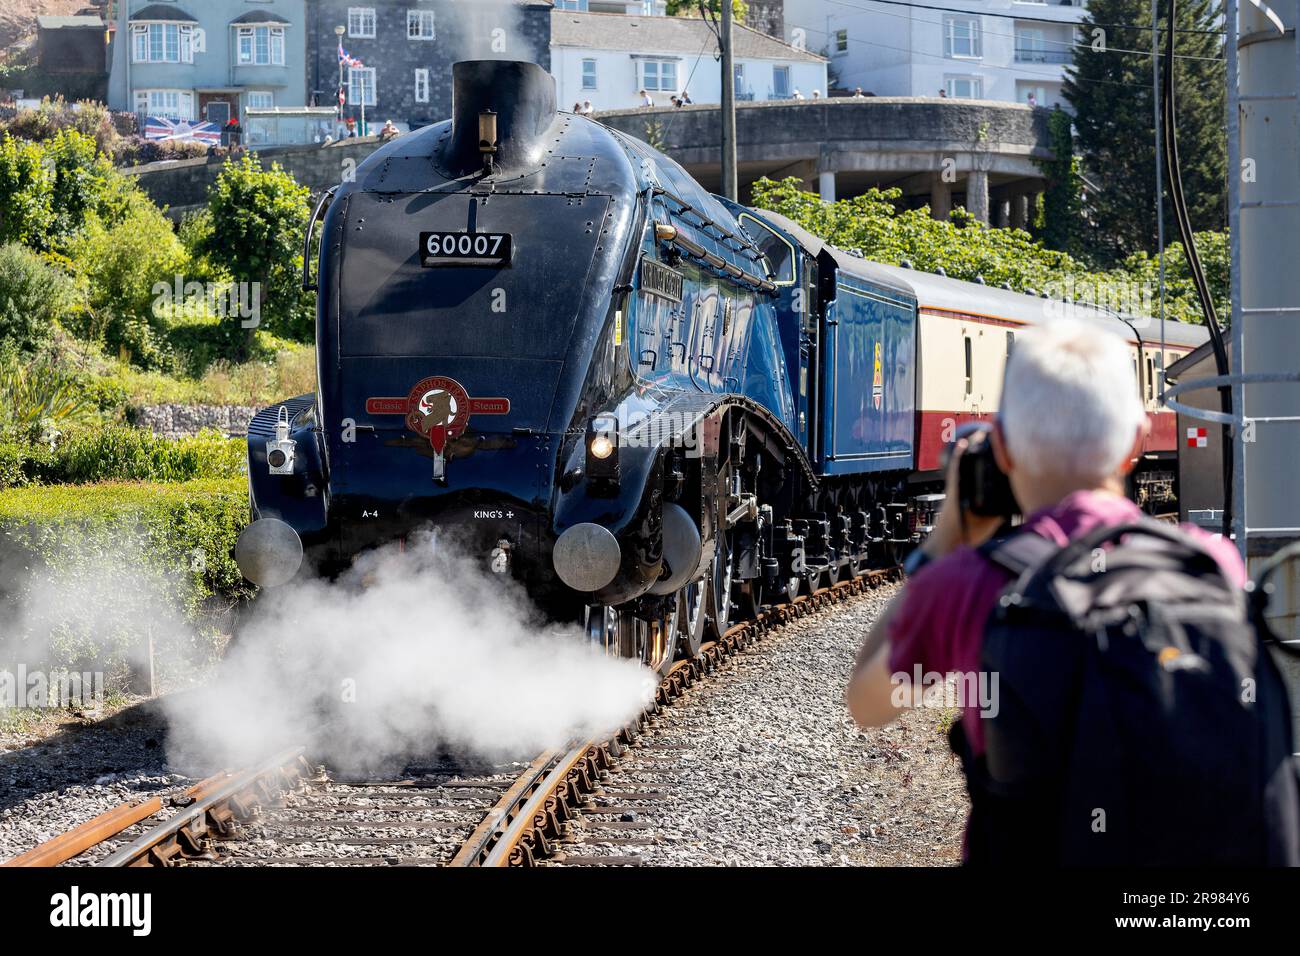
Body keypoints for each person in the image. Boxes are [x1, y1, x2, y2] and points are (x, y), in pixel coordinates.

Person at [843, 320, 1293, 864]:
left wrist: (946, 540)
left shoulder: (967, 583)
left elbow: (868, 703)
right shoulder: (1210, 561)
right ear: (1134, 444)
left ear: (1003, 449)